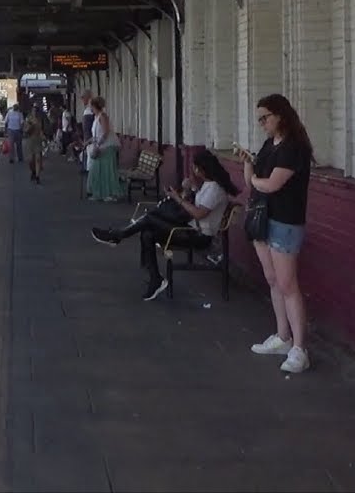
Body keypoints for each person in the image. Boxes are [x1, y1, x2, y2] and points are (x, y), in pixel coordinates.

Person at [91, 150, 240, 300]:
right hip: (189, 229)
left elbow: (199, 213)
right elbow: (197, 204)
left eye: (195, 168)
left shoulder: (215, 189)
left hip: (198, 236)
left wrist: (177, 198)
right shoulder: (209, 185)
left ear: (202, 169)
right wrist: (191, 189)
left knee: (149, 219)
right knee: (148, 232)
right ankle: (155, 278)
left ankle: (118, 236)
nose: (194, 171)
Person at [239, 93, 314, 374]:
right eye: (259, 119)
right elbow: (253, 182)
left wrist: (257, 179)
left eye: (265, 118)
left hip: (285, 220)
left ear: (280, 115)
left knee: (287, 284)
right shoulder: (270, 145)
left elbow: (271, 185)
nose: (262, 124)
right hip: (263, 219)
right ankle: (283, 336)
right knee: (272, 279)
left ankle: (299, 348)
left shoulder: (294, 148)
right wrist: (248, 162)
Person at [83, 96, 121, 201]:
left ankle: (110, 194)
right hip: (100, 146)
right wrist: (88, 142)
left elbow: (105, 132)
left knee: (107, 170)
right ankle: (99, 192)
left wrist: (98, 144)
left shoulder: (103, 117)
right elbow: (96, 134)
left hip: (107, 147)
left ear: (95, 106)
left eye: (91, 106)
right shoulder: (96, 117)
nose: (90, 108)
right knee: (97, 170)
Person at [22, 110, 45, 183]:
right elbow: (25, 131)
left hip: (38, 141)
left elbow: (41, 130)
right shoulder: (28, 120)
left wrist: (43, 137)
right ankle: (33, 171)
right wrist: (31, 125)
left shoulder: (39, 120)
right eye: (34, 111)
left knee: (38, 159)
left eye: (36, 111)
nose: (35, 112)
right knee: (31, 160)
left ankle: (38, 176)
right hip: (30, 141)